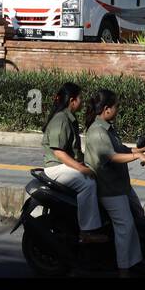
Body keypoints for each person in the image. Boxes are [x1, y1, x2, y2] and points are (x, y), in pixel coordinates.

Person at [82, 89, 145, 276]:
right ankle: (124, 269)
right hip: (109, 188)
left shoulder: (108, 127)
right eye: (116, 106)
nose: (118, 109)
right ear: (107, 109)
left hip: (121, 185)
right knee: (125, 226)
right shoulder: (98, 132)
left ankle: (138, 259)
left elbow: (122, 148)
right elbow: (114, 156)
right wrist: (138, 155)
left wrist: (144, 148)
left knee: (138, 215)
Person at [40, 82, 107, 243]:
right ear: (72, 100)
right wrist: (81, 169)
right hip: (56, 167)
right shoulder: (61, 119)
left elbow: (75, 151)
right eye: (80, 98)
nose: (82, 102)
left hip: (63, 165)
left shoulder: (69, 118)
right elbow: (59, 152)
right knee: (88, 184)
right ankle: (87, 232)